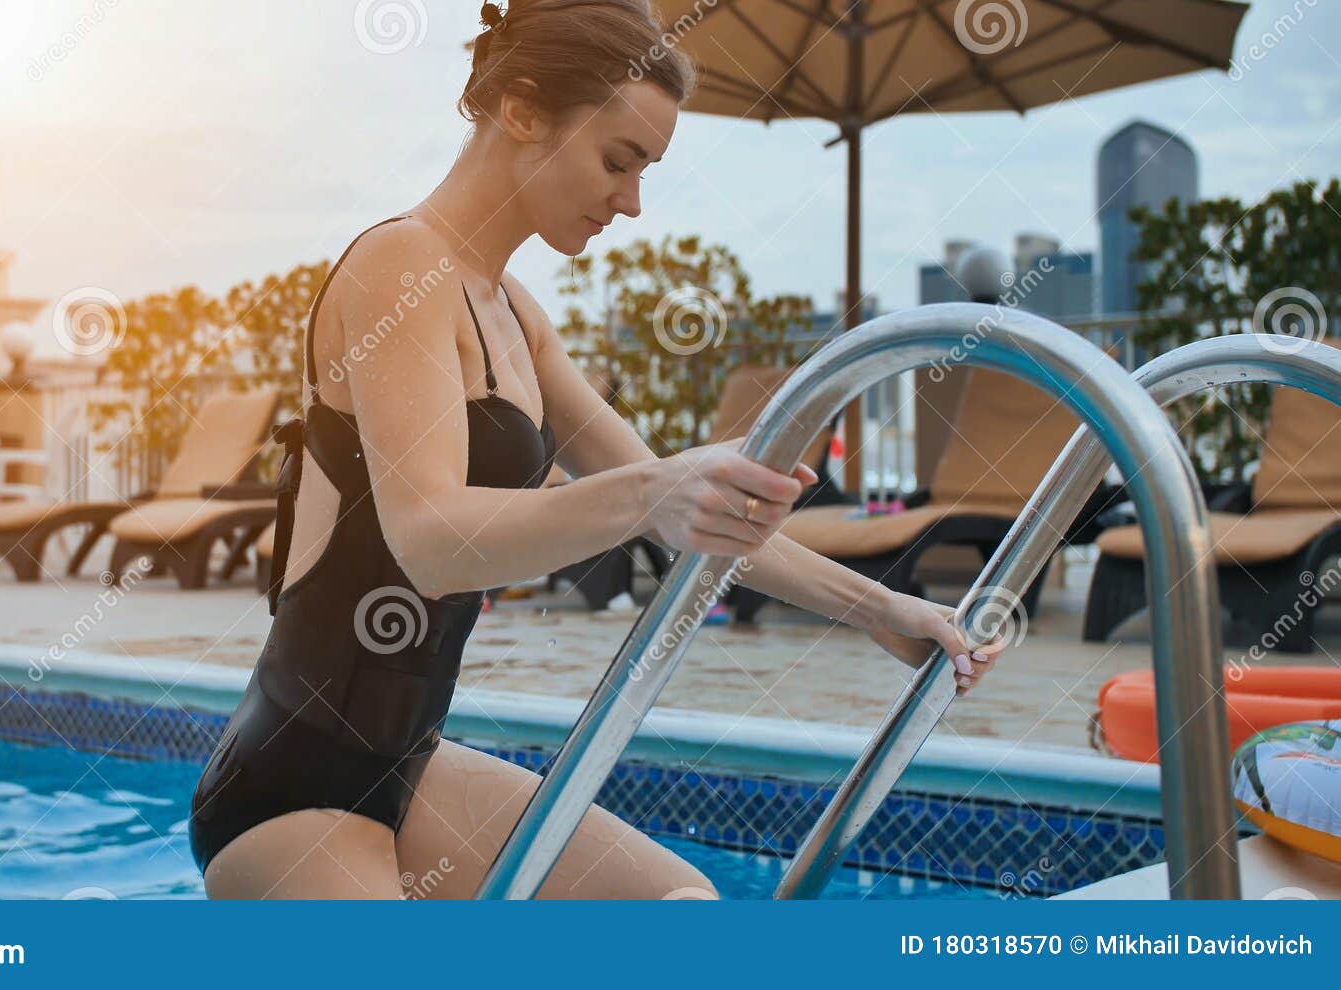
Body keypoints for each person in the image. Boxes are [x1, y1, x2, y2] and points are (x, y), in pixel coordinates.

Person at [188, 0, 998, 900]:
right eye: (619, 161)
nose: (633, 202)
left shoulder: (517, 318)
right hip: (293, 786)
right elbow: (428, 537)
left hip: (408, 768)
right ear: (525, 111)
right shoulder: (398, 266)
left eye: (646, 171)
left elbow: (693, 513)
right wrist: (655, 491)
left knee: (686, 916)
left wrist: (880, 609)